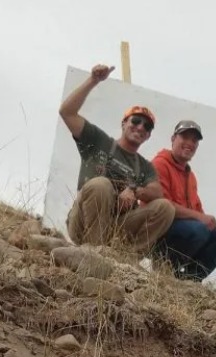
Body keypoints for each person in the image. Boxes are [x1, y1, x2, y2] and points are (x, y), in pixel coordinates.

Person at [58, 64, 175, 254]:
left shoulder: (144, 166)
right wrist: (93, 81)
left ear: (148, 136)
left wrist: (134, 191)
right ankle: (93, 253)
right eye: (135, 121)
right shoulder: (97, 140)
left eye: (147, 127)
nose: (140, 127)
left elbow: (157, 192)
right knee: (101, 185)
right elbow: (67, 112)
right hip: (83, 223)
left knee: (166, 208)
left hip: (117, 228)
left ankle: (127, 260)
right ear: (123, 123)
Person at [151, 120, 216, 281]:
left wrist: (206, 221)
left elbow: (197, 210)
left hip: (189, 231)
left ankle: (189, 278)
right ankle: (164, 270)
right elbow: (161, 205)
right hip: (160, 233)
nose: (189, 143)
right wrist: (200, 218)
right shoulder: (159, 164)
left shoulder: (190, 176)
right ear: (173, 139)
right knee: (199, 229)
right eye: (184, 137)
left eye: (194, 140)